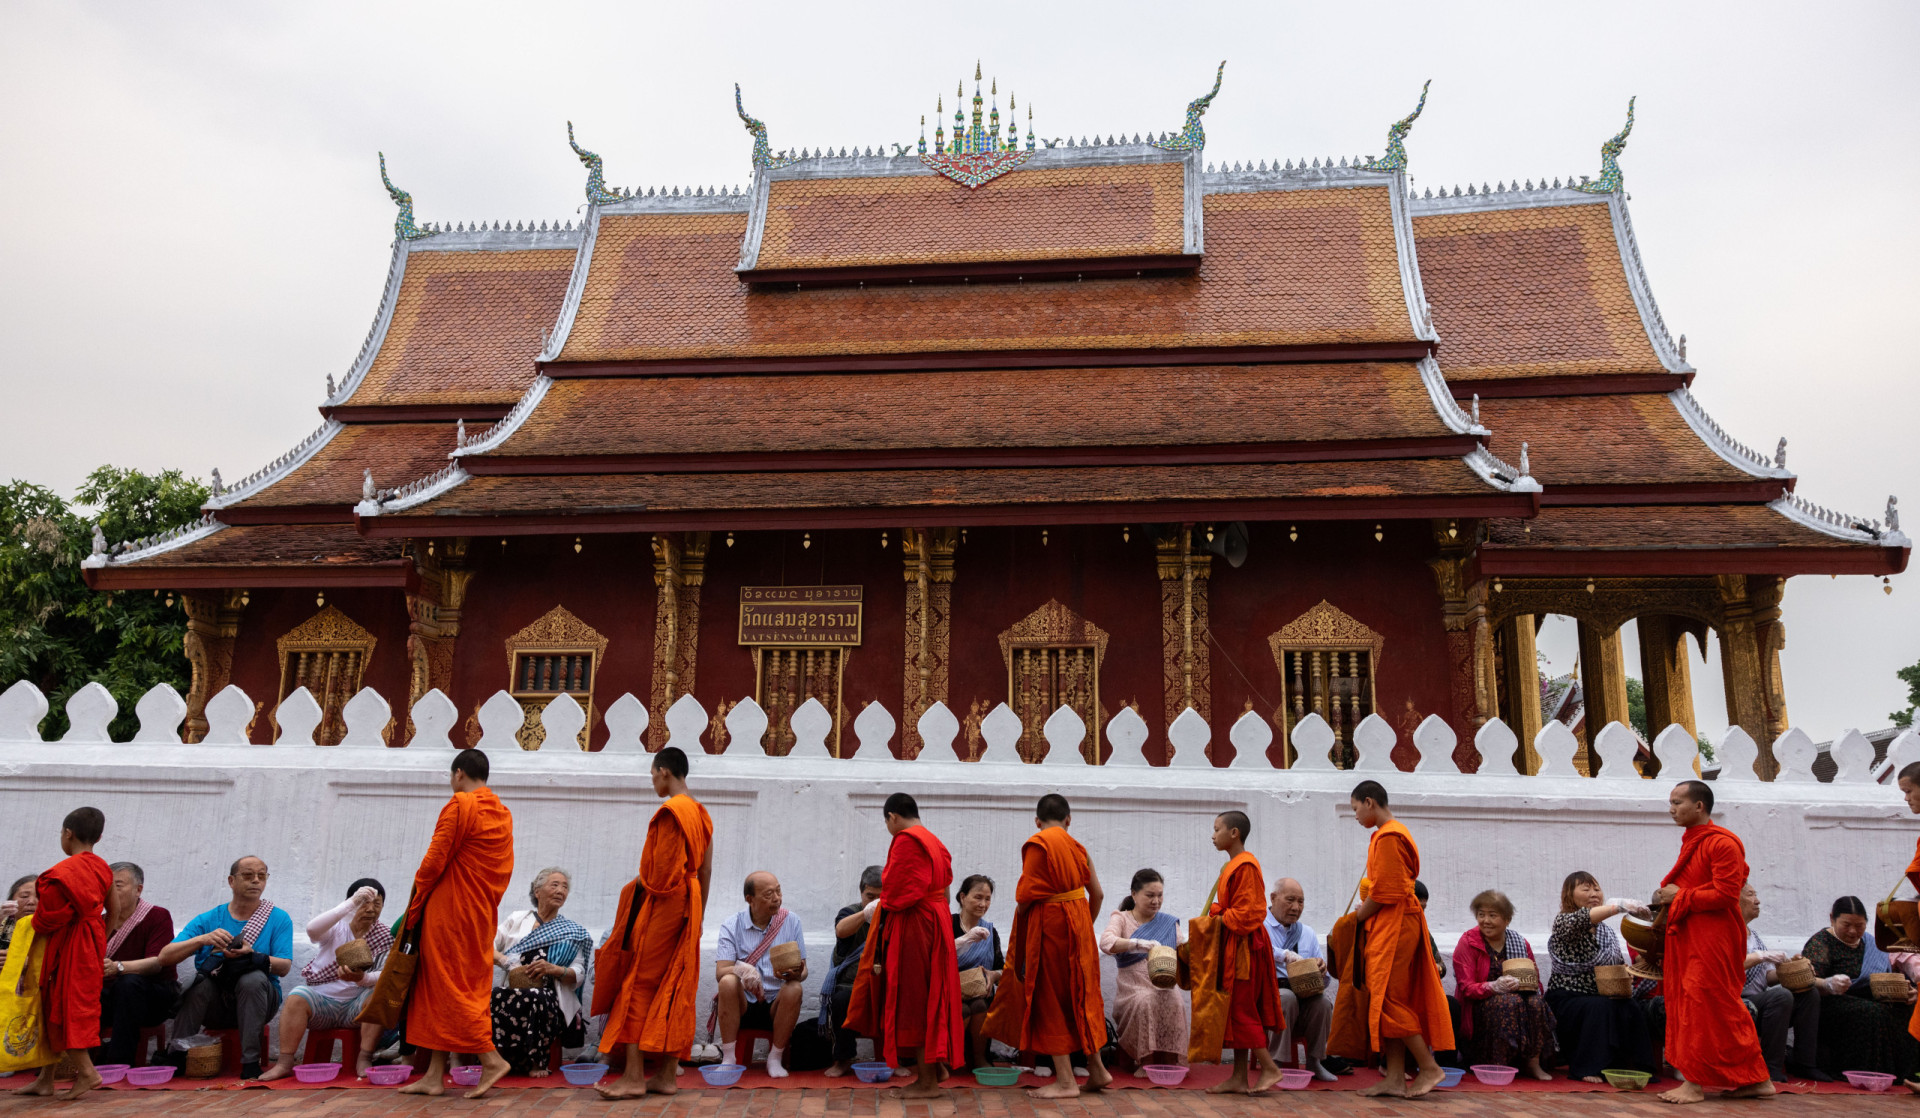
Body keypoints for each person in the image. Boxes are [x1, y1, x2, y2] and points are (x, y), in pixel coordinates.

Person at [395, 748, 515, 1099]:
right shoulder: (502, 813)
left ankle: (490, 1059)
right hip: (478, 910)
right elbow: (502, 868)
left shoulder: (461, 804)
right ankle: (434, 1075)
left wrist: (418, 889)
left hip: (450, 910)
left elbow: (434, 860)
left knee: (448, 986)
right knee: (443, 986)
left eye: (451, 777)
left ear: (459, 773)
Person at [596, 746, 713, 1100]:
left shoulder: (671, 812)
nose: (652, 781)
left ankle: (633, 1076)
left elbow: (660, 878)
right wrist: (698, 916)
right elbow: (705, 870)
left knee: (639, 983)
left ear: (664, 771)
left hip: (665, 903)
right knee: (675, 983)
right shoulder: (700, 812)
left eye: (652, 774)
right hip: (689, 903)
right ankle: (665, 1076)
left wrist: (637, 890)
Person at [1652, 779, 1773, 1103]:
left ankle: (1695, 1083)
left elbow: (1725, 893)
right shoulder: (1693, 841)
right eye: (1671, 802)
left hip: (1713, 939)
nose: (1672, 808)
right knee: (1701, 1005)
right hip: (1693, 937)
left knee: (1708, 1005)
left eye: (1677, 802)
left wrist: (1681, 895)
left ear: (1699, 806)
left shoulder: (1722, 843)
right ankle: (1754, 1078)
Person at [983, 794, 1111, 1097]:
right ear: (1068, 820)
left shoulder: (1038, 843)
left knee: (1049, 997)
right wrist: (1081, 927)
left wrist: (1024, 928)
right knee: (1080, 997)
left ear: (1037, 821)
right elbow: (1099, 895)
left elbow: (1026, 897)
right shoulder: (1078, 848)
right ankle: (1098, 1070)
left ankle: (1066, 1081)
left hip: (1050, 929)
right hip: (1078, 928)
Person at [845, 792, 964, 1100]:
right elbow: (945, 883)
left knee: (916, 999)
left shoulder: (907, 840)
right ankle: (936, 1069)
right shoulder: (934, 841)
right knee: (932, 994)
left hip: (916, 924)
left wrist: (883, 906)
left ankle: (926, 1082)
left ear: (893, 816)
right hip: (935, 919)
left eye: (887, 822)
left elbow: (897, 893)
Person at [1349, 781, 1452, 1099]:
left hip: (1395, 923)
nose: (1355, 816)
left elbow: (1386, 891)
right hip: (1392, 922)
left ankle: (1429, 1067)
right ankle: (1394, 1076)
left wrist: (1357, 917)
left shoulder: (1391, 835)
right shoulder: (1385, 834)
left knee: (1391, 1000)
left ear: (1370, 802)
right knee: (1386, 998)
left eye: (1355, 809)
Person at [157, 854, 293, 1080]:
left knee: (252, 979)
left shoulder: (278, 918)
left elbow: (285, 966)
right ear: (232, 881)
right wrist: (203, 939)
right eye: (248, 876)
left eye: (262, 876)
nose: (256, 881)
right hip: (215, 1005)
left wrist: (253, 956)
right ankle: (177, 1056)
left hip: (259, 1002)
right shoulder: (210, 919)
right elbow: (165, 957)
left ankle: (250, 1062)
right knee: (199, 983)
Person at [15, 807, 112, 1100]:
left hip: (69, 946)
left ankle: (88, 1073)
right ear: (99, 836)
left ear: (67, 834)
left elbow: (46, 921)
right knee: (52, 1006)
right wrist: (98, 941)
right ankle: (46, 1079)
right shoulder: (103, 868)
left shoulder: (59, 874)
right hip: (91, 941)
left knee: (67, 1009)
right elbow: (115, 912)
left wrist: (24, 926)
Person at [259, 880, 390, 1081]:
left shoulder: (384, 936)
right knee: (296, 997)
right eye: (364, 902)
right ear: (352, 903)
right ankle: (285, 1063)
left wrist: (363, 978)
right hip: (322, 1005)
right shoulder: (337, 927)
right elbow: (312, 929)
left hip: (356, 1008)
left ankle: (364, 1058)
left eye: (377, 903)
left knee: (379, 995)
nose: (371, 909)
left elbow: (386, 974)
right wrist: (349, 904)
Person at [1199, 811, 1284, 1095]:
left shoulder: (1245, 866)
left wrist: (1218, 918)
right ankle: (1238, 1076)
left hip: (1245, 948)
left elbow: (1251, 913)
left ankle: (1270, 1068)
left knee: (1241, 1009)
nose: (1213, 835)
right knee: (1234, 1010)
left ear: (1234, 833)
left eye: (1217, 829)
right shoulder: (1233, 866)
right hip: (1235, 944)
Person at [1545, 870, 1658, 1084]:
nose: (1594, 893)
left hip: (1603, 995)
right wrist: (1619, 906)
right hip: (1567, 998)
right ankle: (1587, 1067)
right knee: (1598, 1007)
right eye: (1585, 889)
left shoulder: (1605, 931)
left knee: (1629, 1006)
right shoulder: (1563, 922)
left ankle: (1635, 1067)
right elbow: (1582, 919)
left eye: (1596, 888)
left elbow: (1616, 965)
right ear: (1569, 895)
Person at [1801, 896, 1918, 1081]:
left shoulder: (1871, 943)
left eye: (1860, 925)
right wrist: (1829, 983)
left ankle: (1905, 1074)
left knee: (1907, 1008)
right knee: (1872, 1012)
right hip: (1832, 1002)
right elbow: (1807, 980)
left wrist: (1906, 991)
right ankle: (1868, 1071)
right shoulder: (1821, 942)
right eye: (1846, 925)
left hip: (1870, 997)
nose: (1853, 931)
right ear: (1832, 918)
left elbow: (1887, 976)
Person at [490, 867, 592, 1078]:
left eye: (564, 887)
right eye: (554, 885)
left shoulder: (572, 931)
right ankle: (497, 1059)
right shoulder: (517, 919)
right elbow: (487, 946)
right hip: (515, 989)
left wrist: (554, 969)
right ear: (537, 891)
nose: (560, 891)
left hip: (552, 995)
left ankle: (536, 1062)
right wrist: (507, 962)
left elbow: (579, 972)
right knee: (496, 995)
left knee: (537, 997)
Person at [1450, 889, 1555, 1079]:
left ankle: (1533, 1063)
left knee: (1536, 1002)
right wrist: (1493, 987)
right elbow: (1467, 988)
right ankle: (1498, 1064)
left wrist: (1527, 983)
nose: (1485, 921)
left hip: (1518, 1002)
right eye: (1481, 915)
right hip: (1480, 1008)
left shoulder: (1520, 942)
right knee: (1508, 1002)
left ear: (1506, 919)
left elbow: (1536, 982)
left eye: (1492, 915)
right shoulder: (1468, 942)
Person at [714, 871, 807, 1076]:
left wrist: (795, 974)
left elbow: (804, 969)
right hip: (743, 1004)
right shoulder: (732, 925)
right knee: (728, 982)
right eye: (768, 894)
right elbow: (721, 971)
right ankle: (729, 1058)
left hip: (776, 1004)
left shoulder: (791, 921)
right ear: (750, 899)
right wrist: (741, 969)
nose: (777, 898)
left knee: (795, 988)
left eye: (778, 891)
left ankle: (775, 1058)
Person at [1099, 868, 1187, 1073]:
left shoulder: (1168, 923)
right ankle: (1146, 1062)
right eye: (1150, 895)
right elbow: (1106, 942)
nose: (1156, 901)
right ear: (1134, 894)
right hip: (1132, 988)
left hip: (1162, 984)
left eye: (1160, 895)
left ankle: (1169, 1061)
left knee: (1174, 998)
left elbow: (1182, 947)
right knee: (1146, 1001)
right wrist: (1137, 943)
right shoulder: (1121, 918)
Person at [94, 862, 177, 1069]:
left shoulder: (157, 916)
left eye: (118, 886)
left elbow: (157, 963)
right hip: (111, 996)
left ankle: (119, 1063)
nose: (109, 893)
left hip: (153, 996)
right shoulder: (98, 921)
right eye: (106, 887)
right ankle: (76, 1062)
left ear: (138, 889)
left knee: (129, 983)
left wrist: (118, 967)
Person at [1739, 882, 1824, 1082]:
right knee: (1780, 996)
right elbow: (1729, 967)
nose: (1757, 900)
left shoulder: (1755, 936)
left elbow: (1768, 978)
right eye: (1751, 895)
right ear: (1734, 900)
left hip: (1761, 1000)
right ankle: (1770, 1066)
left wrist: (1792, 968)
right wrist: (1762, 955)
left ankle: (1804, 1063)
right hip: (1737, 1000)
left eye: (1756, 894)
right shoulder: (1726, 932)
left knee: (1808, 993)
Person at [1264, 876, 1334, 1081]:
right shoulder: (1260, 927)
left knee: (1322, 1003)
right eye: (1290, 900)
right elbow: (1262, 951)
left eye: (1300, 902)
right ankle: (1275, 1064)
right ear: (1273, 897)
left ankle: (1315, 1061)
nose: (1296, 907)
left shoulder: (1307, 933)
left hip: (1303, 996)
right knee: (1286, 997)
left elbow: (1326, 979)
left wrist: (1321, 970)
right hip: (1270, 998)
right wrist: (1285, 955)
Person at [822, 866, 884, 1077]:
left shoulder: (894, 916)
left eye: (880, 897)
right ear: (861, 892)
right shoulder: (850, 912)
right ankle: (842, 1060)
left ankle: (892, 1060)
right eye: (870, 896)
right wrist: (865, 914)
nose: (875, 901)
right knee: (842, 1000)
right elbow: (841, 930)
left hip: (881, 982)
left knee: (898, 997)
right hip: (851, 983)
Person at [953, 873, 1005, 1070]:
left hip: (979, 992)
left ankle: (979, 1058)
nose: (983, 904)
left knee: (979, 1005)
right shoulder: (948, 925)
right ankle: (952, 1057)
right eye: (978, 897)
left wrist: (993, 974)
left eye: (987, 899)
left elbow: (1002, 968)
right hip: (949, 991)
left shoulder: (990, 931)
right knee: (963, 1008)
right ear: (962, 897)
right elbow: (936, 957)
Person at [0, 874, 35, 971]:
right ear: (12, 900)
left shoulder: (55, 930)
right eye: (24, 896)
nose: (31, 902)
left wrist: (27, 964)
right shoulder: (2, 921)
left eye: (39, 896)